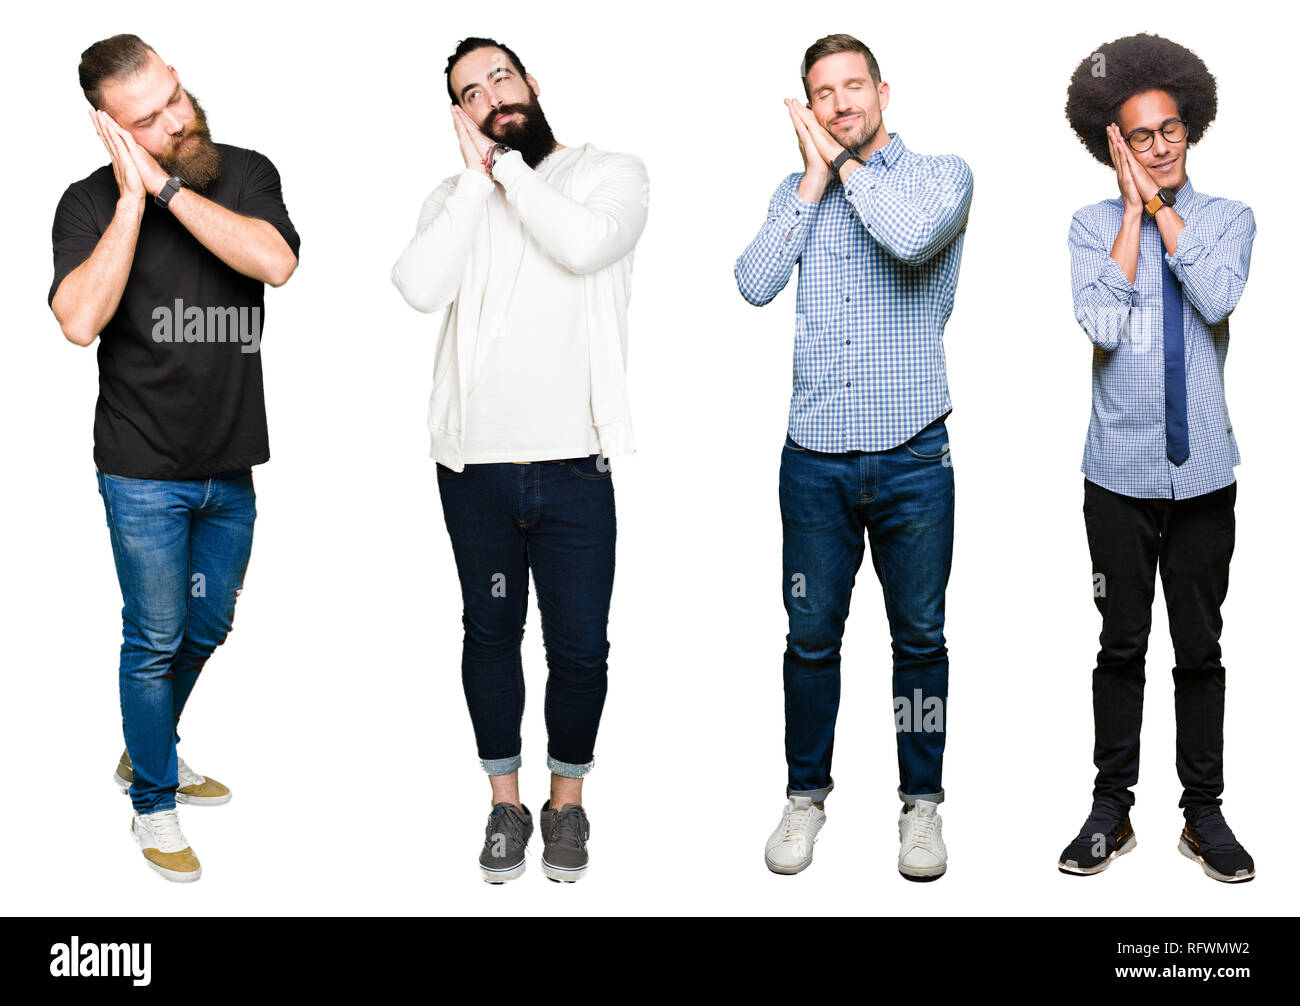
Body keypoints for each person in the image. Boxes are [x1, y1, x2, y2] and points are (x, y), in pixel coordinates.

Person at [391, 37, 648, 884]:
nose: (491, 94)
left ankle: (565, 805)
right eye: (470, 91)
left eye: (501, 75)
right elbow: (420, 286)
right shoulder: (455, 195)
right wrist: (475, 179)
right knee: (490, 632)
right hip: (475, 468)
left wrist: (509, 173)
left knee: (580, 648)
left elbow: (580, 246)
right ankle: (504, 802)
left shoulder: (609, 172)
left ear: (531, 85)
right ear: (459, 116)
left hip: (577, 465)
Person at [49, 34, 300, 882]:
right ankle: (153, 801)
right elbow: (80, 320)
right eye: (146, 123)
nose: (172, 121)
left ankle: (143, 747)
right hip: (140, 470)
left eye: (173, 100)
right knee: (152, 639)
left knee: (208, 626)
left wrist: (165, 184)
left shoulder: (245, 171)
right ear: (109, 129)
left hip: (230, 467)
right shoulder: (85, 204)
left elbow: (276, 262)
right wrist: (130, 202)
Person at [735, 33, 972, 879]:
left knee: (920, 638)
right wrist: (809, 179)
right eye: (822, 92)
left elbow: (910, 240)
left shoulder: (941, 176)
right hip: (814, 465)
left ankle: (922, 806)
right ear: (808, 103)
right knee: (809, 638)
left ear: (882, 90)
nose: (839, 103)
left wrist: (840, 168)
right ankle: (805, 799)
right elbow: (754, 282)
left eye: (852, 86)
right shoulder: (798, 190)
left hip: (913, 458)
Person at [1059, 33, 1256, 883]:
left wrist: (1163, 210)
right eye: (1141, 135)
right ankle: (1112, 810)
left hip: (1205, 478)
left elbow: (1213, 294)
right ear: (1115, 142)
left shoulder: (1227, 221)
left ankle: (1203, 816)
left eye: (1170, 128)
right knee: (1121, 647)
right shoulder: (1089, 228)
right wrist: (1133, 214)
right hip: (1118, 483)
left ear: (1190, 128)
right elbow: (1101, 325)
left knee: (1201, 651)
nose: (1160, 145)